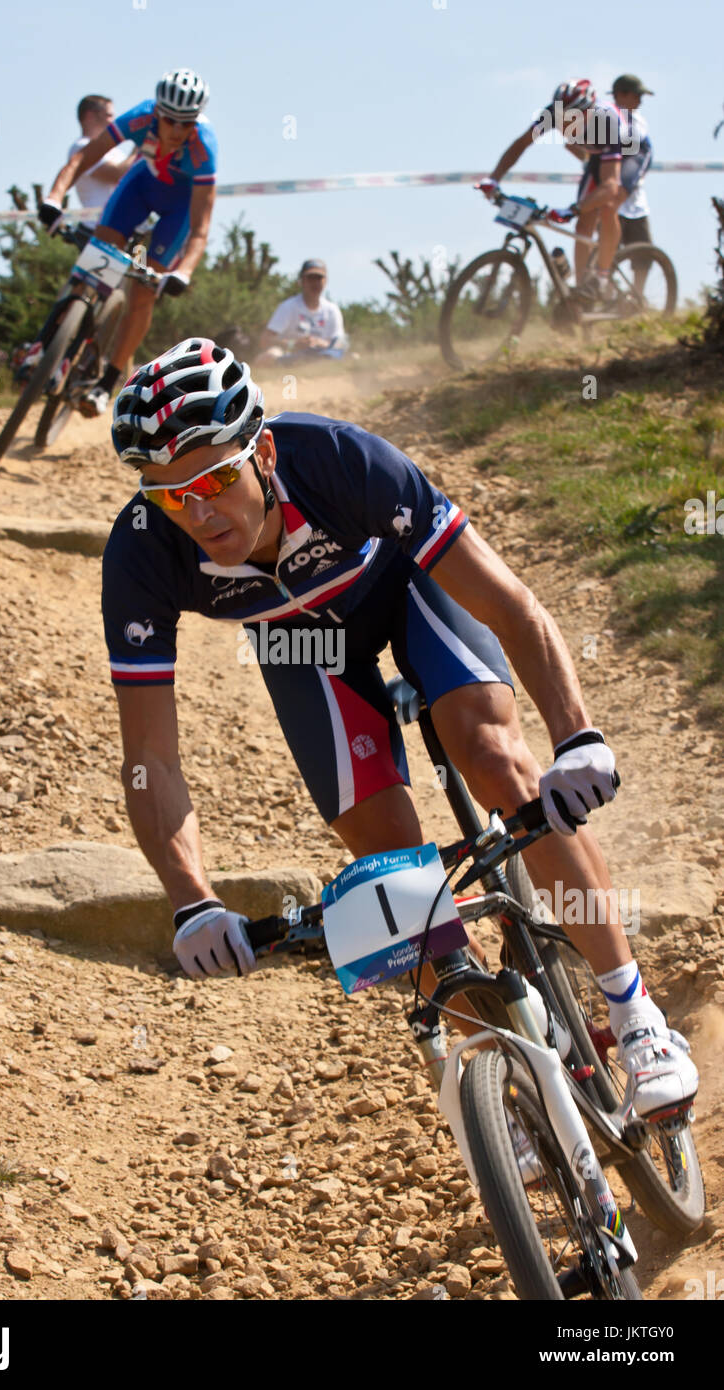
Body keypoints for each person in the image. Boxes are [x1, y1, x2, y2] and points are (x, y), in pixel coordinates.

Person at [100, 337, 699, 1124]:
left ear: (265, 452)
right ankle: (505, 1070)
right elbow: (148, 757)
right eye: (172, 495)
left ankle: (636, 1014)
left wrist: (577, 737)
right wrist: (192, 903)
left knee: (492, 761)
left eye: (214, 478)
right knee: (391, 875)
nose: (198, 511)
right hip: (301, 646)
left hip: (407, 590)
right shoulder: (142, 553)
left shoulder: (343, 463)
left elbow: (511, 605)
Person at [38, 69, 217, 417]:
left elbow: (199, 229)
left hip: (178, 207)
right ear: (157, 114)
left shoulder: (204, 150)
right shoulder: (140, 117)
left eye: (187, 123)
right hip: (141, 185)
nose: (178, 131)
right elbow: (83, 159)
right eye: (170, 121)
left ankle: (107, 382)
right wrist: (54, 198)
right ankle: (50, 345)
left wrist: (184, 272)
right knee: (96, 260)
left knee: (144, 291)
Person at [480, 79, 636, 304]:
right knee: (583, 223)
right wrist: (493, 178)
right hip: (596, 153)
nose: (566, 124)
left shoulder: (607, 121)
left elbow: (611, 185)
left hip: (631, 152)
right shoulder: (553, 112)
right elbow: (522, 143)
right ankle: (582, 292)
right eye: (563, 118)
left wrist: (572, 209)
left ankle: (602, 278)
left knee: (609, 205)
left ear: (588, 112)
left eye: (573, 117)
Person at [611, 76, 655, 297]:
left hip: (635, 201)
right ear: (621, 95)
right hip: (610, 200)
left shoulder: (639, 121)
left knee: (644, 254)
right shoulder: (605, 118)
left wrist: (627, 185)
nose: (640, 100)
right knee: (605, 254)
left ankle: (636, 298)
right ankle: (603, 299)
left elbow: (642, 157)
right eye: (637, 95)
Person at [257, 260, 348, 363]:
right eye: (310, 278)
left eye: (319, 278)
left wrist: (319, 343)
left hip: (322, 355)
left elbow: (340, 343)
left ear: (325, 281)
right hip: (289, 355)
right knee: (271, 355)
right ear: (302, 281)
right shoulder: (288, 307)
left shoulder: (332, 310)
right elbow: (264, 340)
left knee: (353, 357)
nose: (315, 283)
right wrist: (293, 344)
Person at [67, 95, 137, 227]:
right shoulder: (81, 147)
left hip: (120, 228)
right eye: (108, 115)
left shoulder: (116, 152)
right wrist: (142, 146)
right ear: (90, 116)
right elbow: (117, 174)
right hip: (95, 229)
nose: (113, 121)